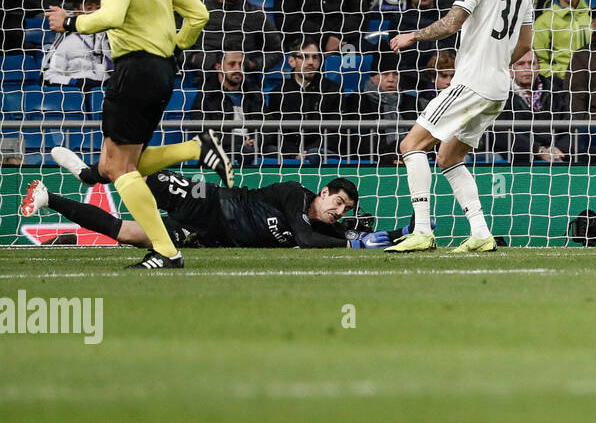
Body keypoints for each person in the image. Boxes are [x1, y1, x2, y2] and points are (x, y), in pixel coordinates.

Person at [39, 0, 219, 270]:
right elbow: (199, 15)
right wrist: (176, 45)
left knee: (121, 169)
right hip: (162, 72)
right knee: (117, 163)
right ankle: (193, 150)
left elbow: (113, 15)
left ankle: (167, 251)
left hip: (134, 69)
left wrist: (70, 21)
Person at [385, 0, 534, 254]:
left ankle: (422, 230)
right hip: (498, 87)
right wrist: (496, 61)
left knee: (411, 145)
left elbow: (453, 22)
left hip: (472, 82)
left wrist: (413, 34)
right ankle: (481, 233)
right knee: (449, 157)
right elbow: (525, 44)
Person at [22, 167, 404, 251]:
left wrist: (405, 236)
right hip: (213, 199)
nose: (338, 212)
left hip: (209, 234)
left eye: (344, 209)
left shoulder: (330, 230)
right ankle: (92, 173)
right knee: (147, 176)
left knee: (128, 234)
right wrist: (351, 244)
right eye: (337, 202)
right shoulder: (293, 194)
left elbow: (359, 237)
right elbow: (303, 237)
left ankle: (48, 199)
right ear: (322, 192)